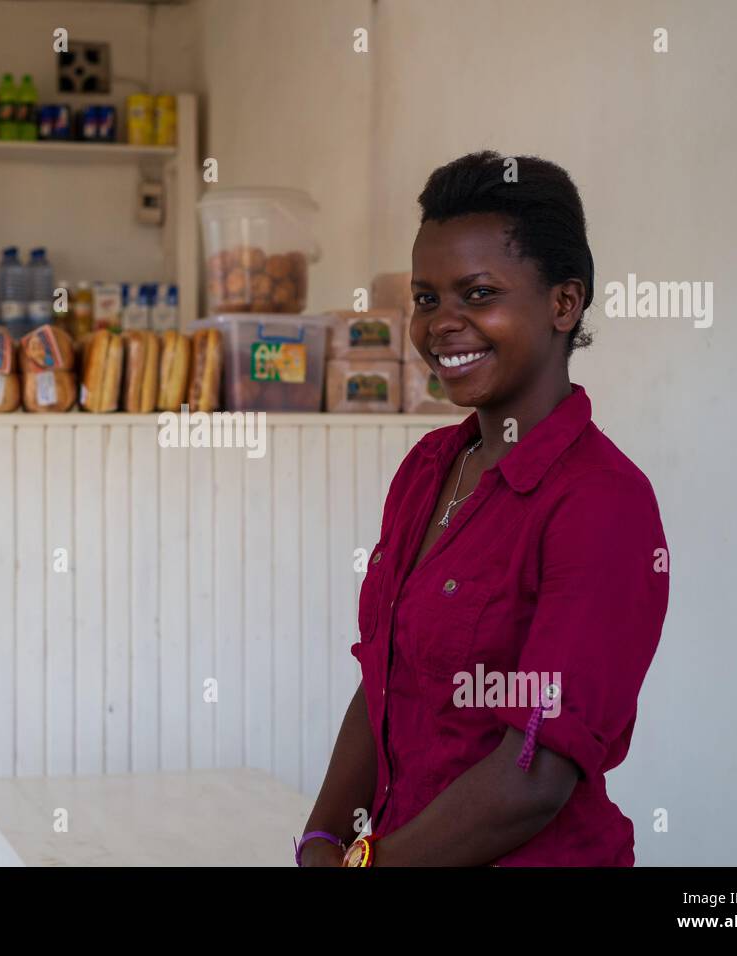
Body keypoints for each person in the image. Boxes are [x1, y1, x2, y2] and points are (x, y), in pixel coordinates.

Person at [299, 151, 669, 867]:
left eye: (477, 294)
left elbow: (533, 777)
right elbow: (384, 680)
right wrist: (321, 841)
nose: (442, 324)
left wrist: (369, 867)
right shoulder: (428, 468)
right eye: (428, 299)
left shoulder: (602, 504)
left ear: (564, 304)